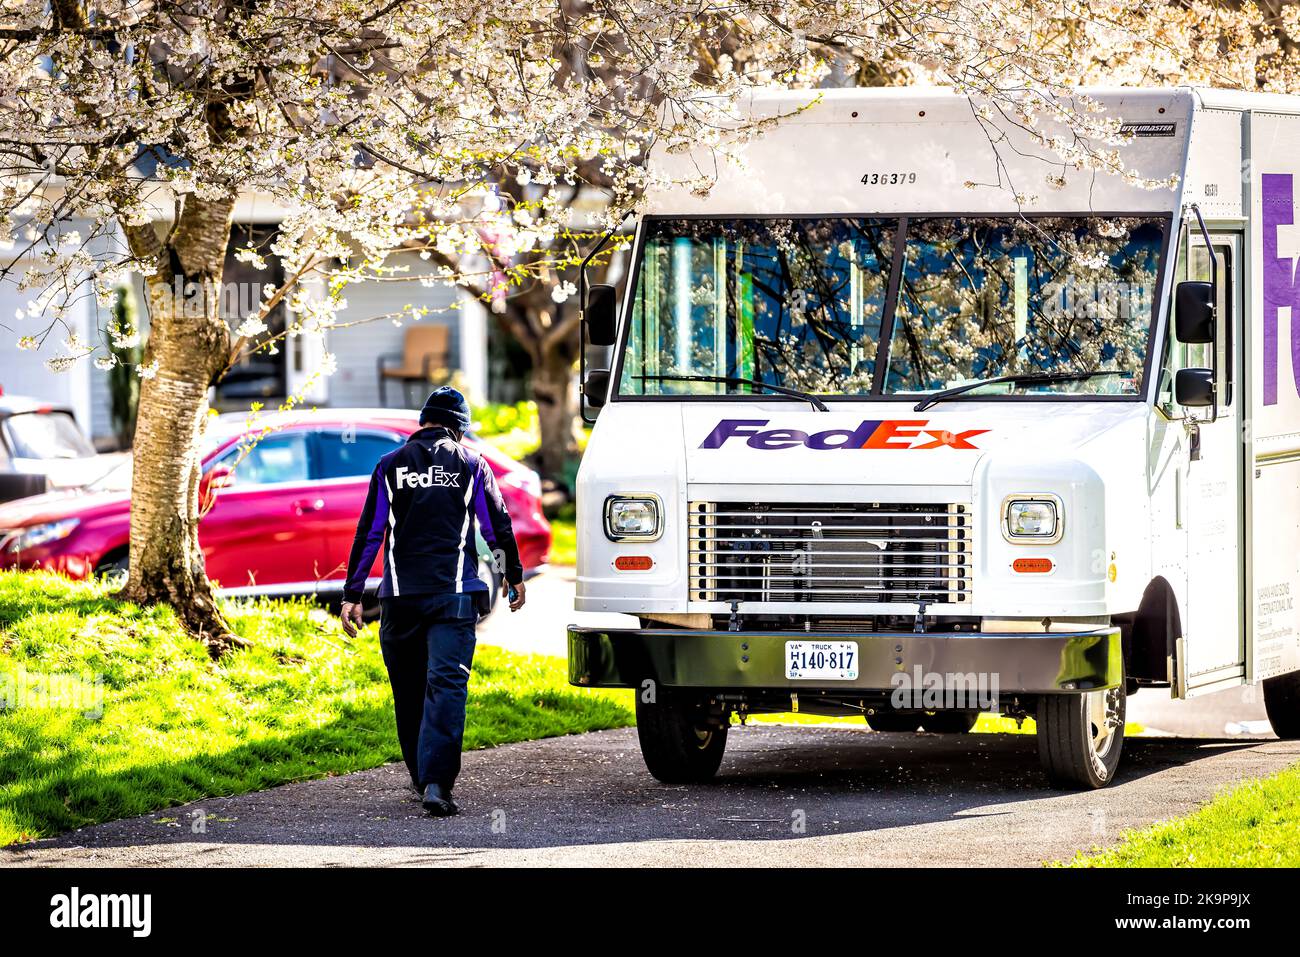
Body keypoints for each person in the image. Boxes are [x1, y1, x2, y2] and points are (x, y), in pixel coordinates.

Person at [339, 387, 525, 816]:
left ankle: (421, 777)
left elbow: (370, 533)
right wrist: (513, 576)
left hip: (400, 600)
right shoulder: (472, 465)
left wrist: (352, 594)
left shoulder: (389, 466)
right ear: (459, 428)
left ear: (422, 422)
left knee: (408, 690)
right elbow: (496, 526)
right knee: (446, 687)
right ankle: (437, 784)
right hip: (453, 597)